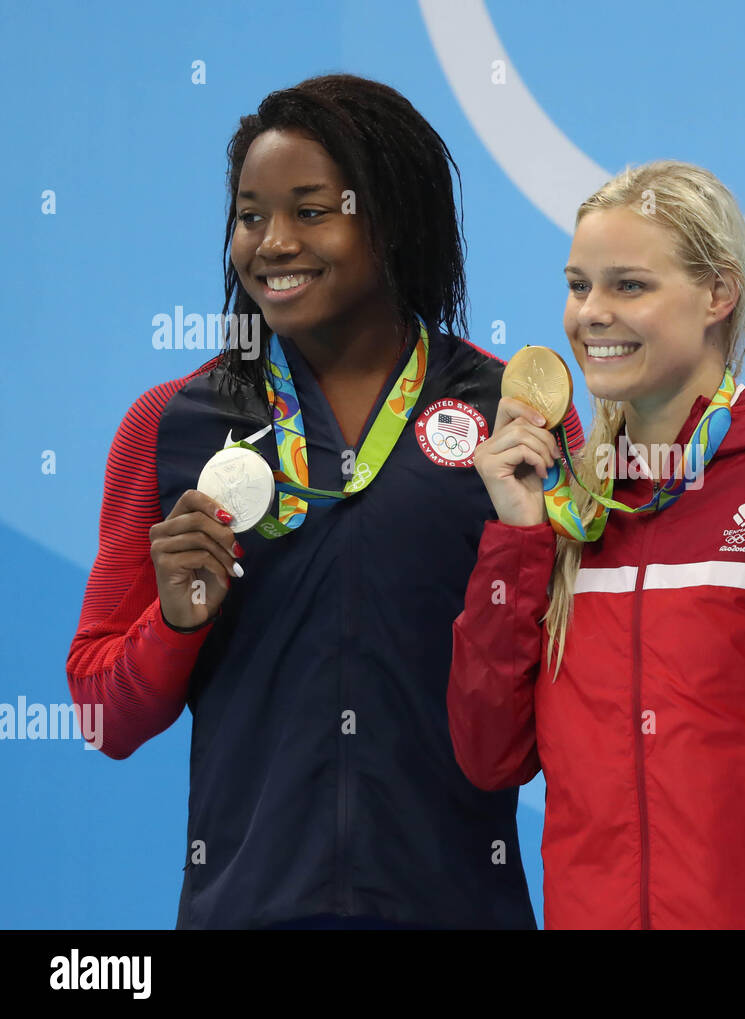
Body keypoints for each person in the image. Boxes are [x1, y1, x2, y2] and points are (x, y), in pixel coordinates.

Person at [65, 74, 579, 929]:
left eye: (310, 211)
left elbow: (562, 711)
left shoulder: (511, 423)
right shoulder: (172, 426)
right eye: (250, 214)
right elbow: (98, 713)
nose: (271, 243)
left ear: (392, 217)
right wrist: (175, 625)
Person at [447, 161, 745, 929]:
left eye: (629, 286)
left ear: (719, 294)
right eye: (579, 286)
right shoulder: (571, 500)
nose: (591, 314)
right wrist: (516, 535)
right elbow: (490, 754)